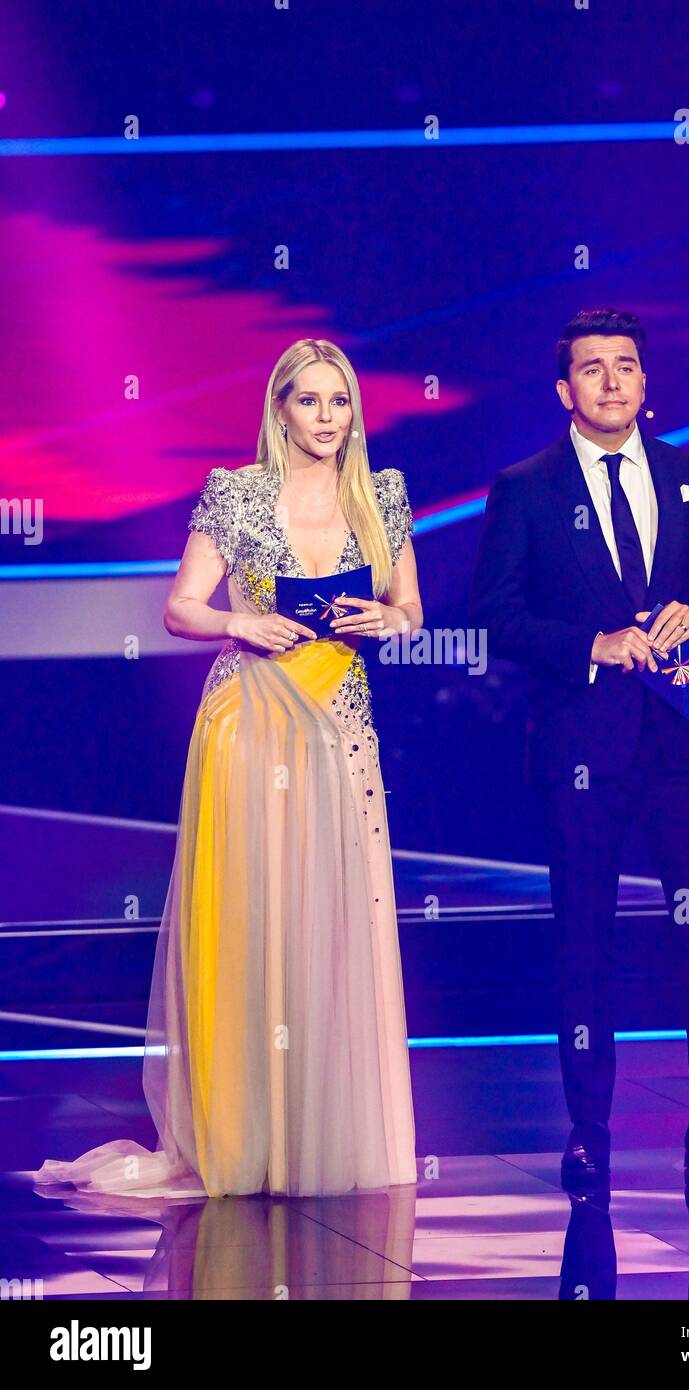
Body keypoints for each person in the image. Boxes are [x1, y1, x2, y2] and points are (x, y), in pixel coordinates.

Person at [34, 339, 421, 1199]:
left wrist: (383, 620)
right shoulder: (236, 493)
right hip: (251, 718)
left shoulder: (379, 496)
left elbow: (411, 609)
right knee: (254, 919)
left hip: (339, 716)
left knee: (335, 919)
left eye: (340, 402)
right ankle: (244, 1139)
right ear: (280, 408)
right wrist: (241, 624)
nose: (327, 417)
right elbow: (179, 607)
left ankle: (326, 1138)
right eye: (310, 401)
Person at [468, 307, 689, 1181]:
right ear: (565, 390)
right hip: (580, 749)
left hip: (683, 743)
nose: (613, 380)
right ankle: (589, 1131)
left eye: (626, 365)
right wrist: (590, 646)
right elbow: (494, 617)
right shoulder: (527, 487)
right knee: (585, 939)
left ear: (644, 381)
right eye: (593, 368)